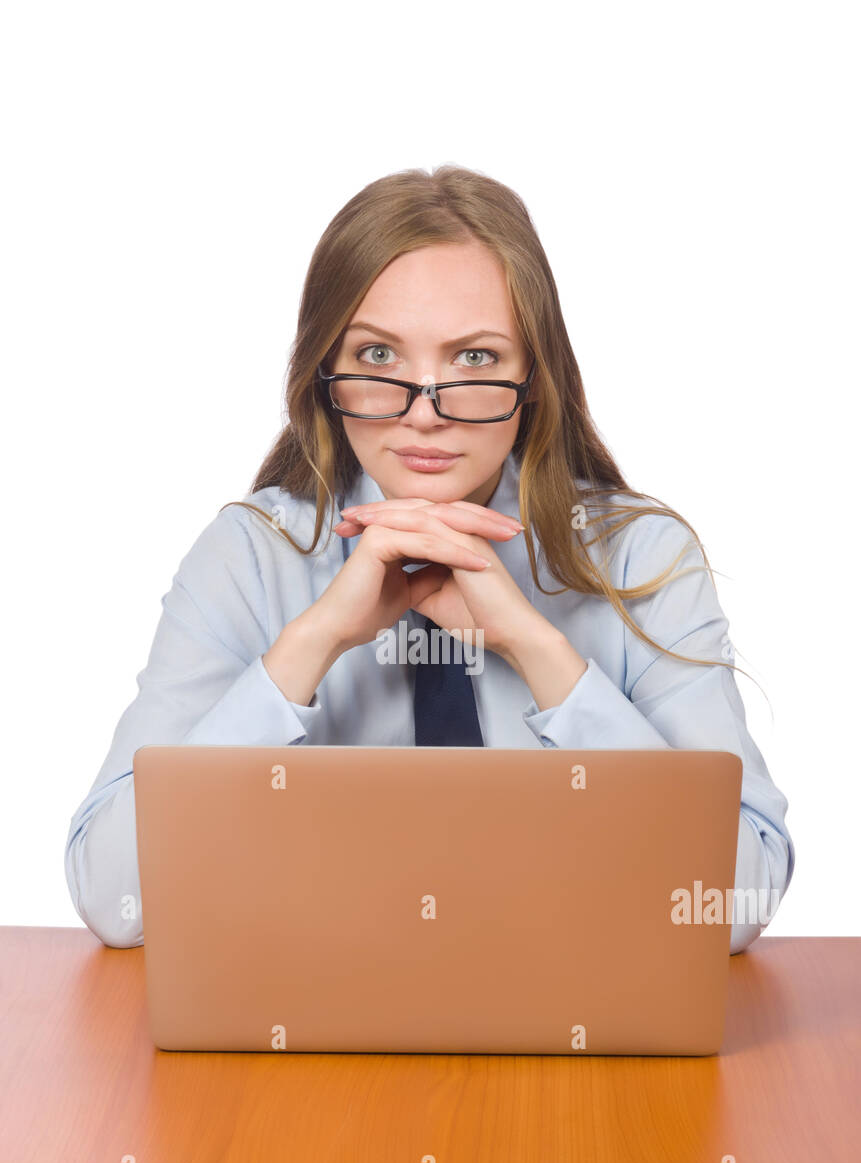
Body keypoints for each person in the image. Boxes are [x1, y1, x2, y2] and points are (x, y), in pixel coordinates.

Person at [64, 164, 794, 953]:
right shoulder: (249, 557)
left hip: (570, 1042)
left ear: (533, 378)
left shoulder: (641, 557)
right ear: (323, 375)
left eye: (474, 360)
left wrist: (542, 654)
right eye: (378, 357)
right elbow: (115, 897)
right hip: (308, 1039)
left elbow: (731, 904)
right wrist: (305, 650)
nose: (423, 412)